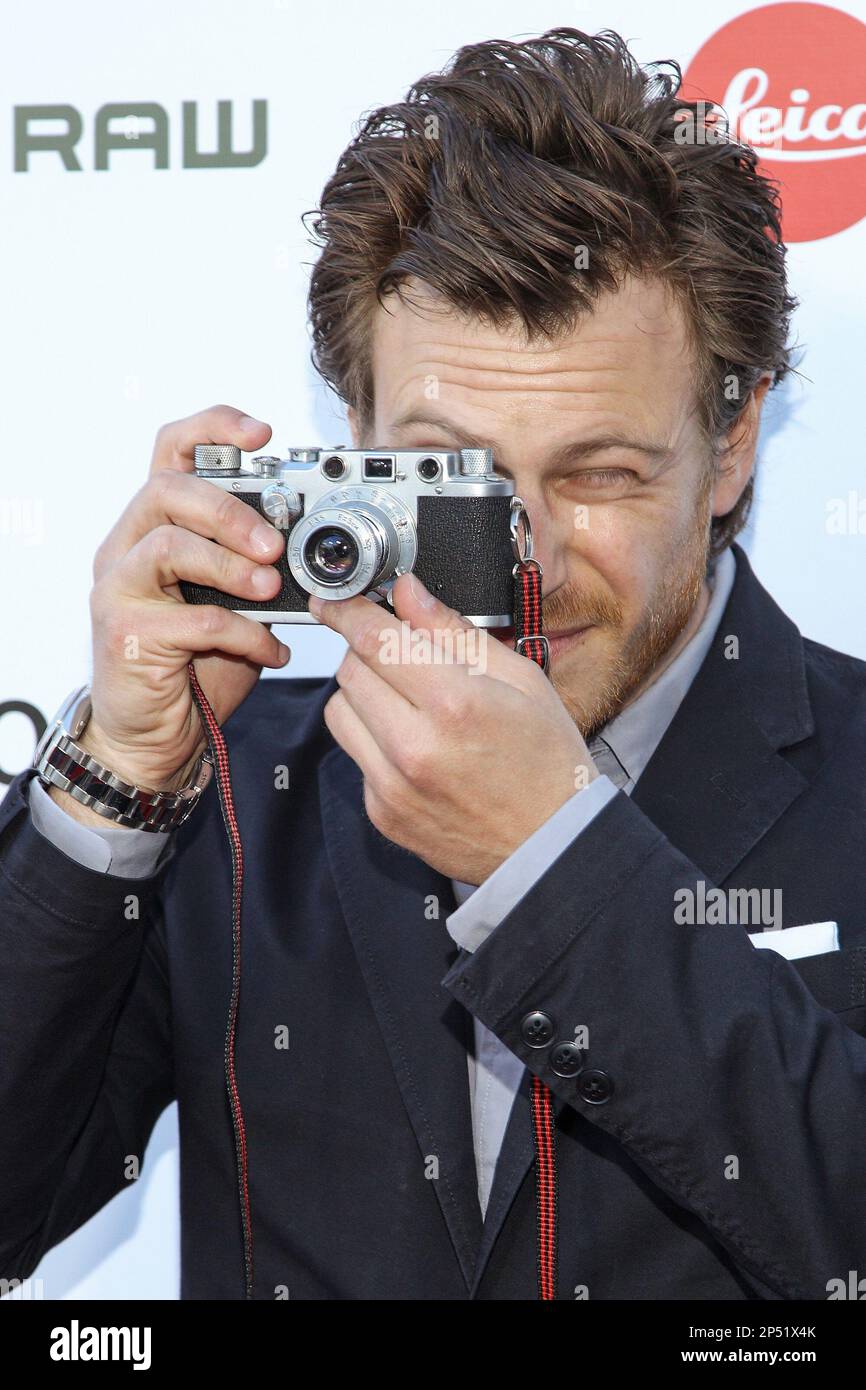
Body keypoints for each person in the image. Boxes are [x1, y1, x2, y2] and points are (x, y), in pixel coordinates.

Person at [2, 27, 865, 1301]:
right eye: (452, 478)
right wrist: (117, 782)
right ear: (350, 437)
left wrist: (557, 866)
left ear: (731, 441)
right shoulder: (232, 790)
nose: (526, 560)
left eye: (600, 474)